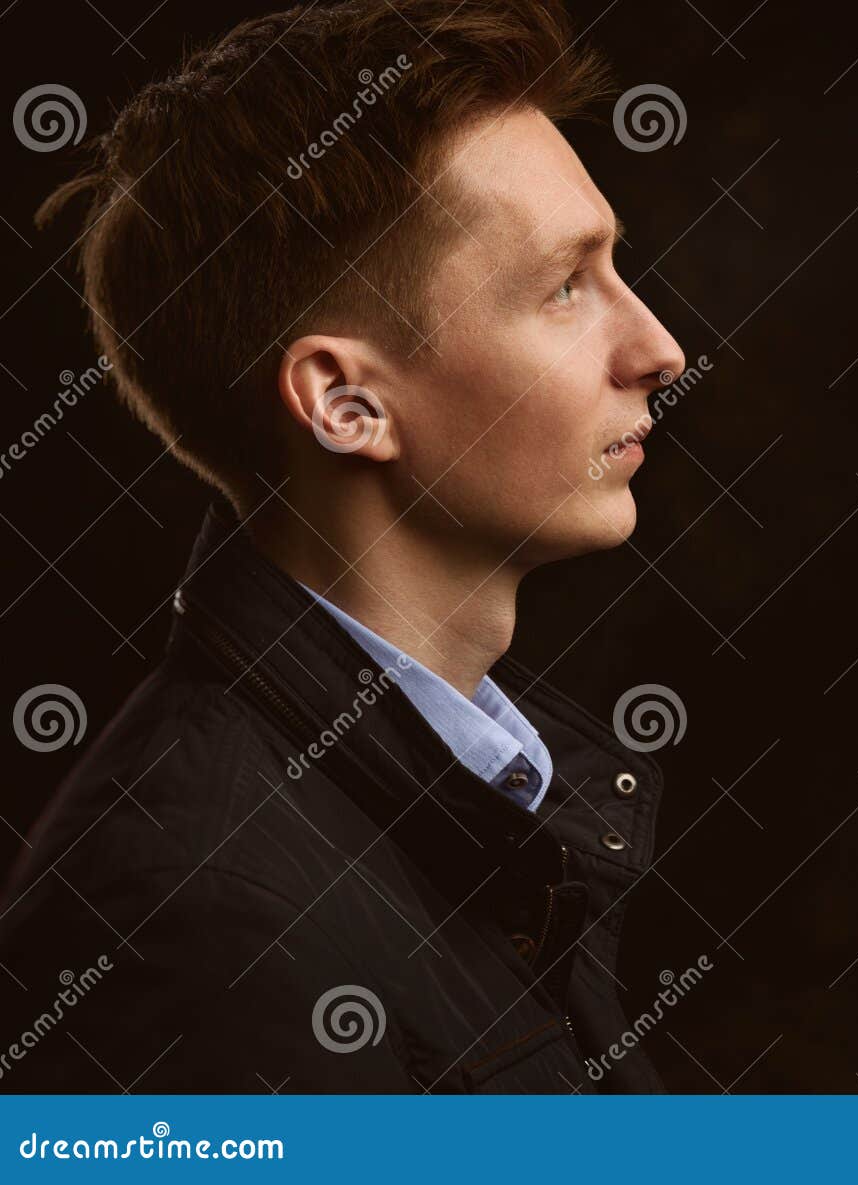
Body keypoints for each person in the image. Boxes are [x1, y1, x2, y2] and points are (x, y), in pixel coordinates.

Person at [0, 0, 684, 1092]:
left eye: (615, 270)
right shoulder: (201, 920)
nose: (658, 348)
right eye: (564, 287)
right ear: (345, 402)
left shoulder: (464, 812)